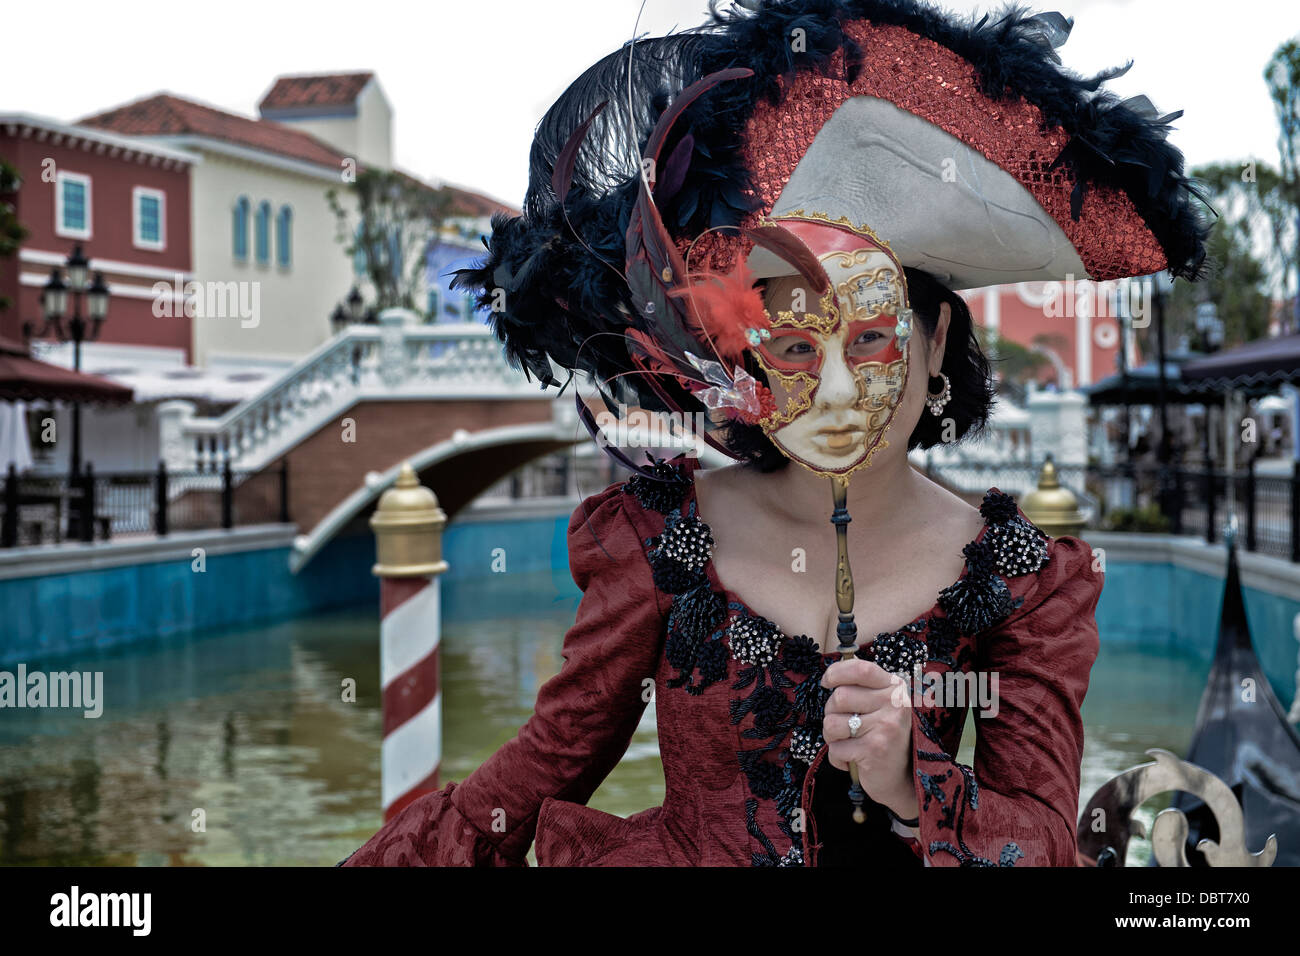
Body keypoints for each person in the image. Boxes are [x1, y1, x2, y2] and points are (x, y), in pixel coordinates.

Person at [340, 0, 1208, 867]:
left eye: (870, 341)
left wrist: (916, 781)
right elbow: (540, 771)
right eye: (794, 347)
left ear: (936, 342)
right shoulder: (659, 538)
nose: (834, 390)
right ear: (743, 360)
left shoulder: (1020, 575)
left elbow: (1048, 843)